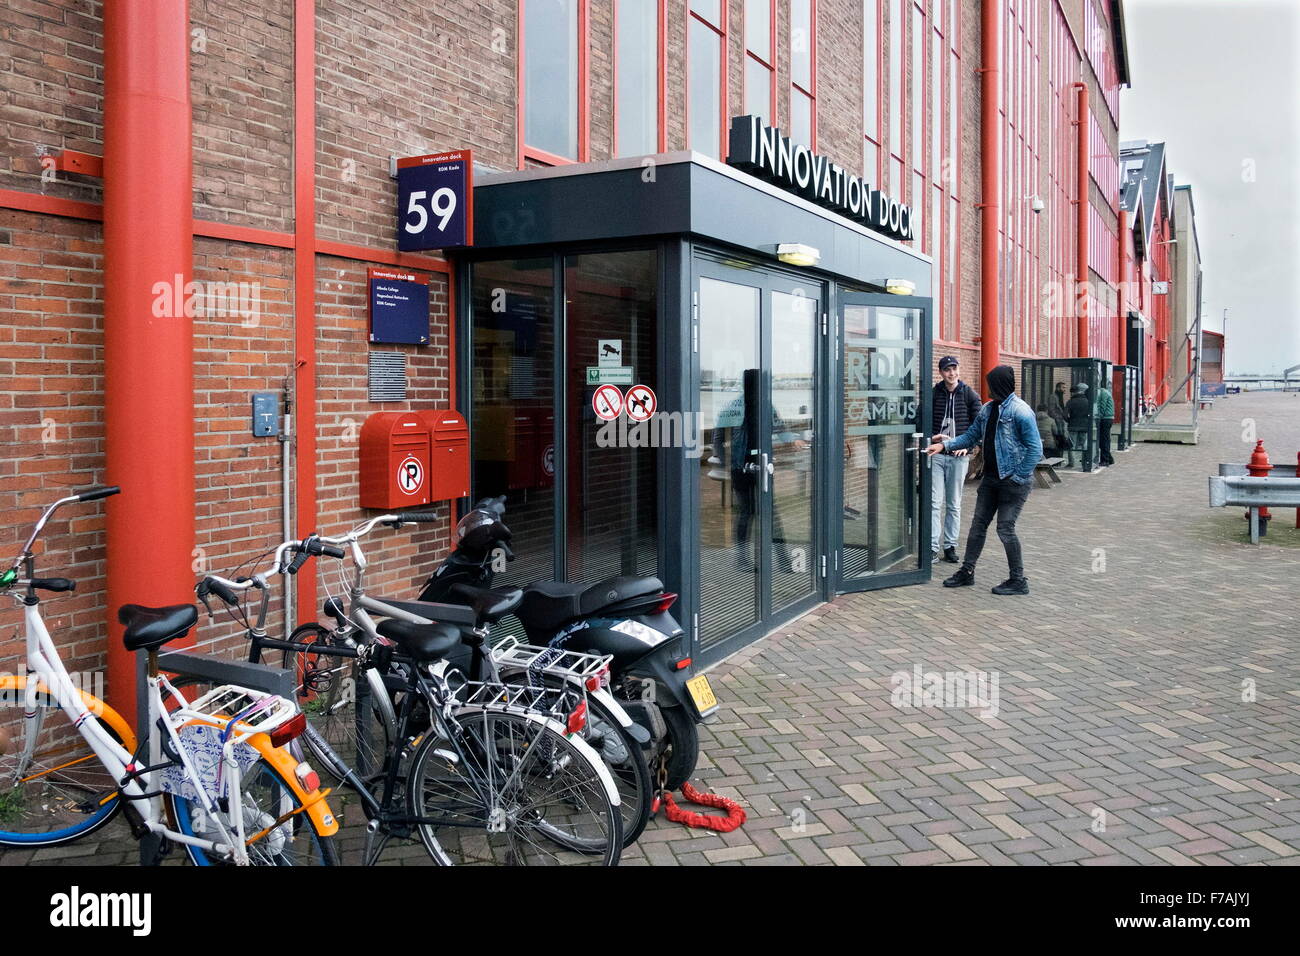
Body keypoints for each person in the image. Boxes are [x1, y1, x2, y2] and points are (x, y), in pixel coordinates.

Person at [925, 365, 1041, 595]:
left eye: (991, 383)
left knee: (1005, 529)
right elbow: (971, 436)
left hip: (1012, 482)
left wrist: (1018, 477)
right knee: (978, 526)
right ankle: (967, 572)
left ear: (1000, 384)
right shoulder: (988, 409)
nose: (988, 387)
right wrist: (944, 445)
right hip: (991, 480)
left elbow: (1035, 449)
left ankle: (1018, 580)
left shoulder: (1021, 411)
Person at [929, 356, 982, 563]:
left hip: (959, 458)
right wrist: (930, 437)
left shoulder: (970, 394)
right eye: (947, 370)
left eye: (954, 369)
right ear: (941, 372)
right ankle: (932, 547)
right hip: (937, 456)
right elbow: (919, 420)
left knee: (953, 504)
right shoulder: (934, 394)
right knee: (934, 503)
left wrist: (967, 446)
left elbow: (979, 425)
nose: (952, 373)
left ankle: (950, 546)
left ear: (959, 370)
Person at [1065, 382, 1091, 469]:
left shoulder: (1071, 401)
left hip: (1073, 425)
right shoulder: (1088, 402)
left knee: (1071, 445)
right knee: (1084, 444)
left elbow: (1065, 415)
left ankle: (1072, 463)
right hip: (1084, 426)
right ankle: (1085, 461)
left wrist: (1069, 420)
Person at [1096, 380, 1115, 466]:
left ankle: (1105, 460)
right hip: (1108, 418)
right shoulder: (1106, 392)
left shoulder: (1103, 393)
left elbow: (1102, 406)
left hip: (1105, 419)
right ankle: (1109, 458)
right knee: (1104, 439)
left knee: (1104, 440)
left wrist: (1098, 417)